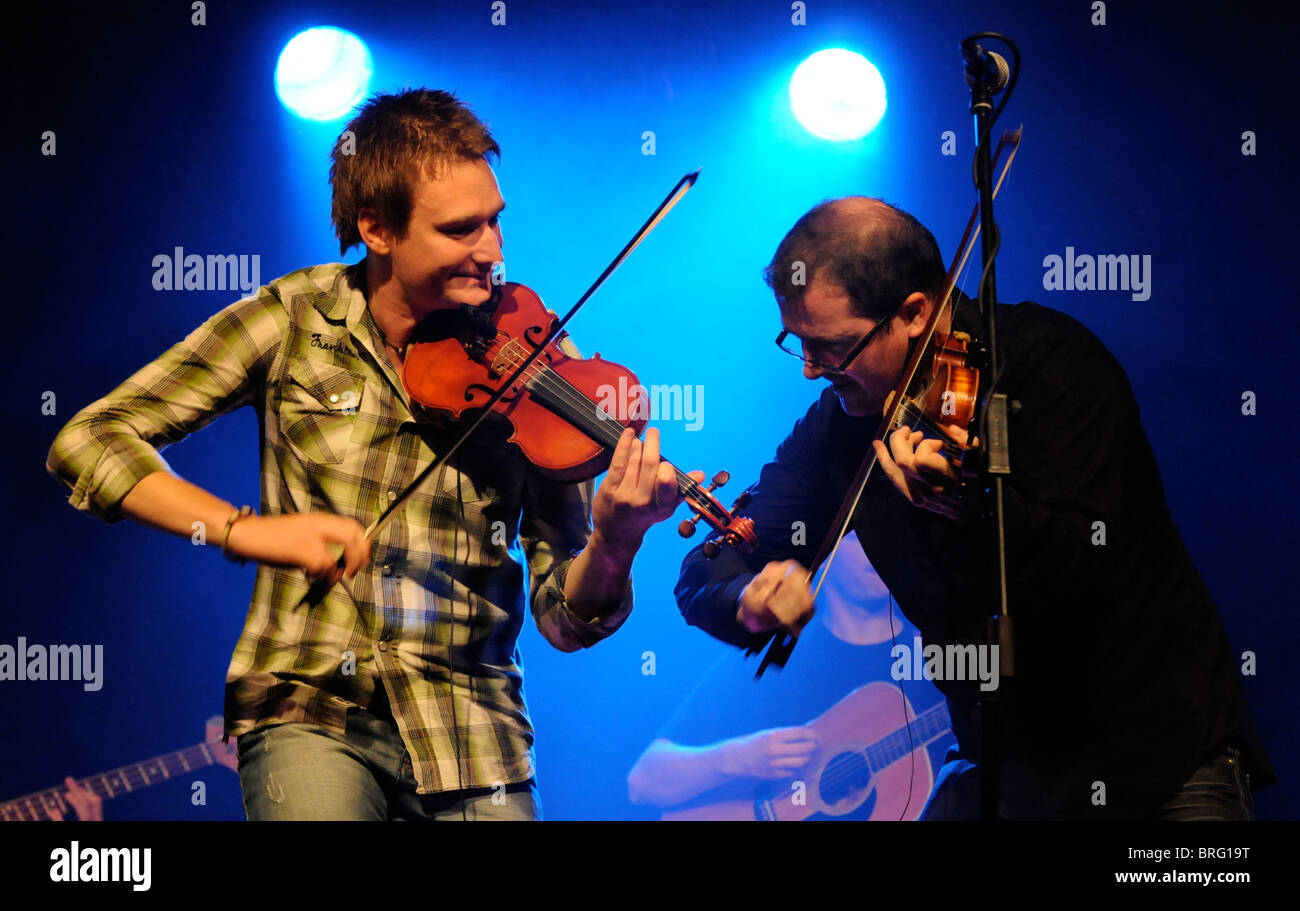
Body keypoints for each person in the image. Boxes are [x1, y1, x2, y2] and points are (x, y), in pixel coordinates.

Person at [47, 88, 687, 821]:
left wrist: (617, 537)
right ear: (377, 228)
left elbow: (566, 620)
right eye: (459, 230)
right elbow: (91, 438)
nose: (493, 253)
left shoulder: (540, 361)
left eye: (495, 220)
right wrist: (241, 528)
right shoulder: (295, 315)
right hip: (306, 704)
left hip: (473, 733)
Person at [674, 197, 1274, 820]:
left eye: (833, 347)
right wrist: (747, 598)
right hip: (1006, 773)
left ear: (913, 312)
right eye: (796, 343)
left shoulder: (1051, 366)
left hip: (1159, 763)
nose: (810, 370)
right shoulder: (843, 428)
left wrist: (972, 505)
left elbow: (1092, 561)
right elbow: (707, 571)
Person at [629, 534, 953, 820]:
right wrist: (741, 757)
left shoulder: (941, 653)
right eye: (858, 536)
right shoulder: (771, 657)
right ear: (826, 548)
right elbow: (644, 781)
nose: (879, 544)